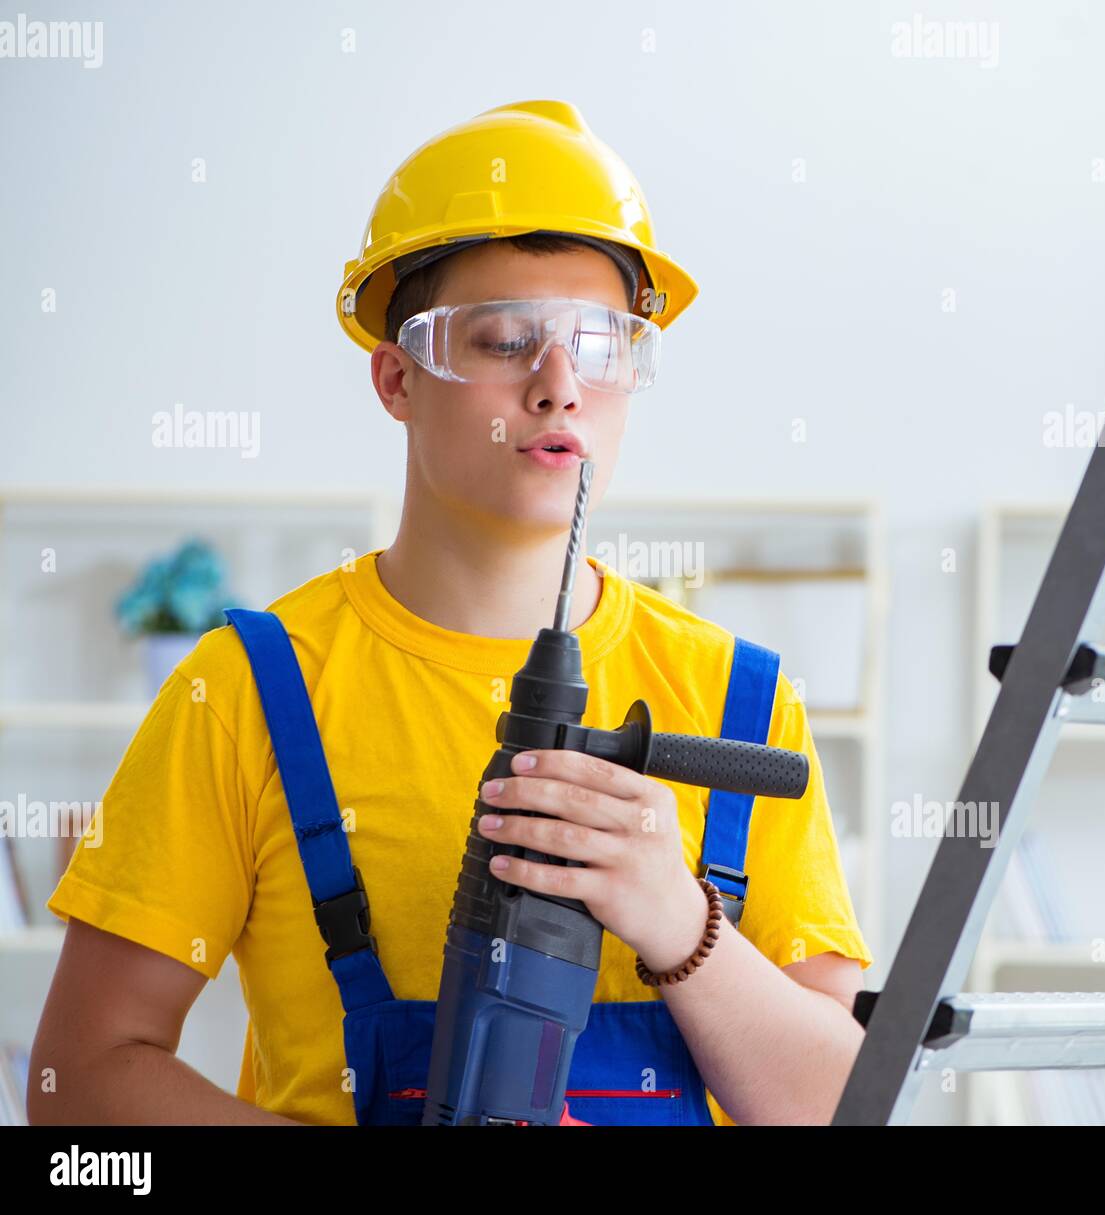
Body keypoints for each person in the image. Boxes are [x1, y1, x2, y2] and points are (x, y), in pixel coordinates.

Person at [29, 99, 871, 1127]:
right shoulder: (249, 688)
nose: (560, 387)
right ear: (396, 377)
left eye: (602, 347)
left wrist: (677, 918)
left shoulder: (740, 700)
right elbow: (81, 1079)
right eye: (507, 340)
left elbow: (839, 1108)